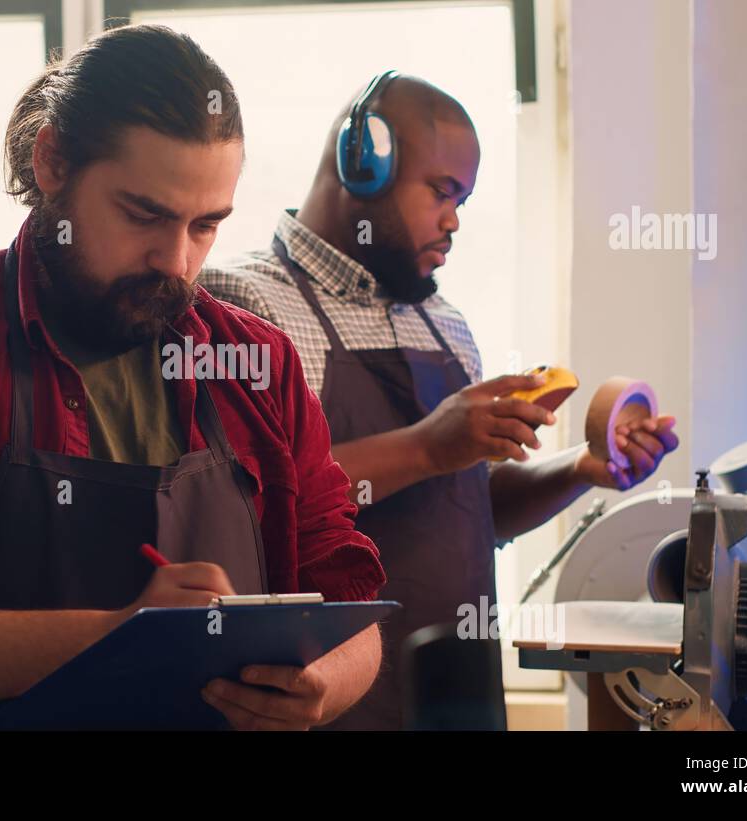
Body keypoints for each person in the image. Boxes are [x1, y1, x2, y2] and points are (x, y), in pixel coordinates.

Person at [0, 25, 386, 731]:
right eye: (144, 214)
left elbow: (351, 612)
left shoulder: (259, 367)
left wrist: (320, 683)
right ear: (52, 161)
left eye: (206, 226)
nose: (176, 260)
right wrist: (123, 635)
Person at [201, 71, 678, 730]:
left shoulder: (442, 321)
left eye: (465, 199)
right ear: (361, 165)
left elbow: (474, 511)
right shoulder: (249, 304)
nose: (454, 221)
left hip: (459, 700)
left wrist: (583, 468)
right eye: (441, 192)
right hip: (322, 704)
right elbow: (253, 508)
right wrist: (430, 443)